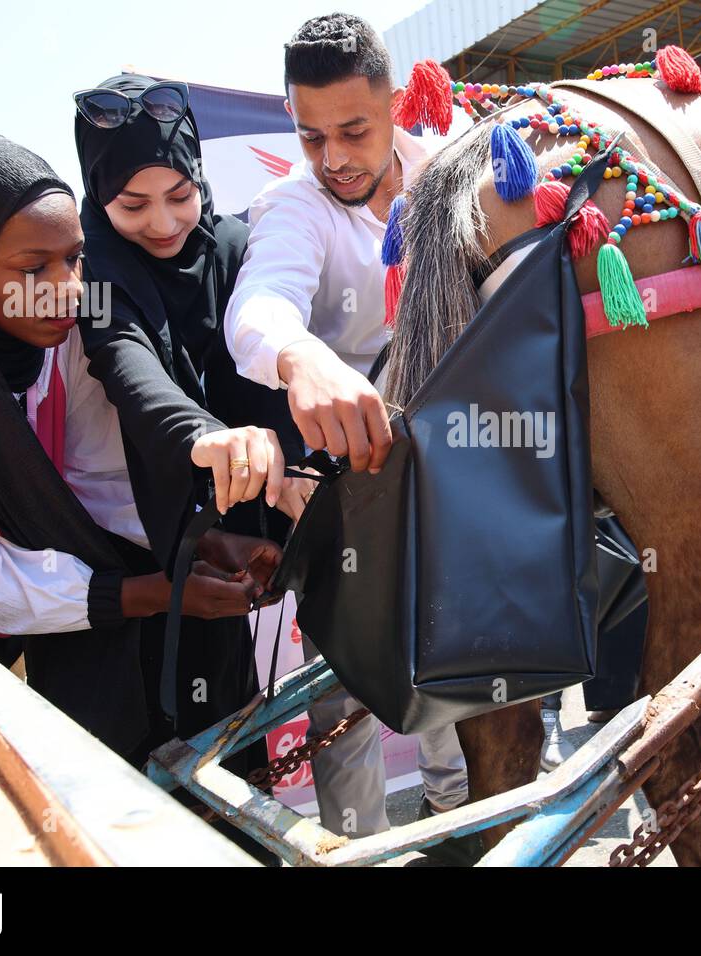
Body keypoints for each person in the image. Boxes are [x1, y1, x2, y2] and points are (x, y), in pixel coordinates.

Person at [0, 135, 266, 763]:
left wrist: (193, 546)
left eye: (74, 259)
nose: (66, 289)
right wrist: (148, 593)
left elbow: (97, 482)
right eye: (31, 267)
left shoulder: (56, 335)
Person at [224, 14, 473, 857]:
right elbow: (259, 307)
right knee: (349, 684)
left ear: (397, 105)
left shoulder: (452, 170)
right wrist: (302, 358)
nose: (333, 157)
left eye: (355, 130)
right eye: (310, 135)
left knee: (455, 667)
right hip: (341, 483)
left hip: (450, 480)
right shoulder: (292, 208)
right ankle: (360, 849)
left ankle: (461, 822)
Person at [73, 76, 311, 777]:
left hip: (228, 547)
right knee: (129, 761)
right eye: (131, 204)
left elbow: (265, 358)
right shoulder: (90, 269)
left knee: (229, 741)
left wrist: (290, 468)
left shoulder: (236, 246)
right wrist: (207, 439)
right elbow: (127, 366)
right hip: (119, 550)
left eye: (181, 196)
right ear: (96, 196)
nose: (163, 223)